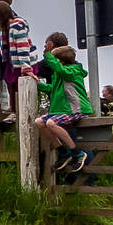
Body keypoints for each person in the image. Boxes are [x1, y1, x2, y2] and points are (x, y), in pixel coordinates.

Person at [34, 41, 94, 172]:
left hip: (76, 109)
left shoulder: (72, 71)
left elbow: (60, 69)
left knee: (51, 123)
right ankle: (63, 152)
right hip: (63, 109)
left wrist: (48, 54)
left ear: (60, 61)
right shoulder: (60, 73)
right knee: (39, 122)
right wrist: (39, 84)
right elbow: (54, 89)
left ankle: (77, 153)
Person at [0, 0, 38, 123]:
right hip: (13, 60)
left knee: (18, 84)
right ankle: (14, 111)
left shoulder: (17, 26)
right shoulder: (5, 28)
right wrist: (1, 53)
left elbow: (22, 47)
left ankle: (23, 112)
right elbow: (6, 45)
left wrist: (26, 68)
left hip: (23, 61)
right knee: (10, 82)